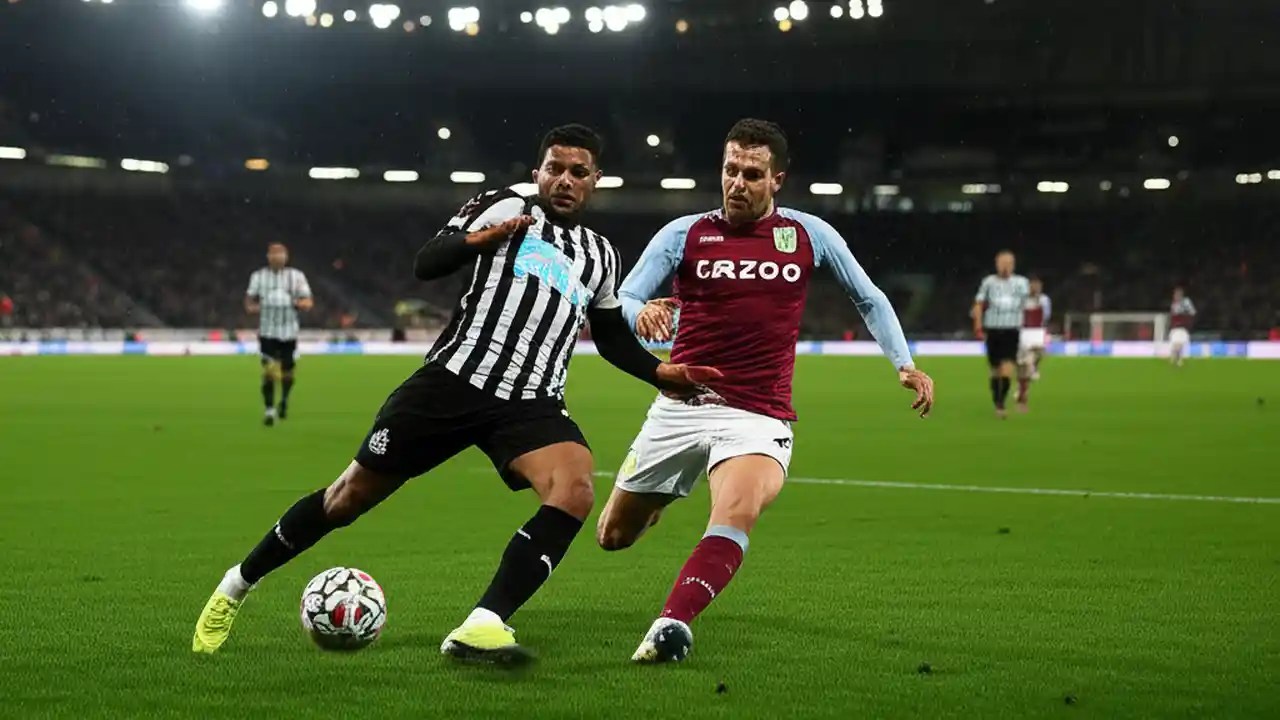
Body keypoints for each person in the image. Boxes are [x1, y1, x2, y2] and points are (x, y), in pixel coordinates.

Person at [192, 124, 720, 664]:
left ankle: (482, 624)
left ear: (595, 180)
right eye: (555, 168)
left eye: (578, 172)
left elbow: (609, 338)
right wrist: (478, 241)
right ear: (537, 172)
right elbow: (427, 262)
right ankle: (237, 584)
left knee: (575, 488)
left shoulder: (601, 254)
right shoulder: (505, 206)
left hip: (531, 401)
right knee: (345, 498)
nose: (565, 180)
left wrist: (660, 374)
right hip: (453, 381)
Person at [593, 118, 935, 663]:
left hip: (756, 415)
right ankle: (659, 497)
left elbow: (868, 297)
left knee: (737, 510)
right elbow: (625, 297)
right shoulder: (684, 234)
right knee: (613, 536)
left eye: (752, 174)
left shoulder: (808, 234)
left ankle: (671, 624)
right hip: (680, 408)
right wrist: (642, 313)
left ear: (777, 180)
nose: (737, 183)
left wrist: (905, 364)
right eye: (730, 170)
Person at [245, 243, 313, 426]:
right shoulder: (258, 277)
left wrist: (298, 304)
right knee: (269, 371)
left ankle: (284, 400)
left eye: (280, 254)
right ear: (268, 257)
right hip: (267, 331)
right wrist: (255, 307)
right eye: (274, 254)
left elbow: (308, 301)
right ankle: (269, 409)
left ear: (286, 257)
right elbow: (249, 301)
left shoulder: (296, 276)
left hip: (289, 332)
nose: (277, 257)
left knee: (287, 373)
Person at [972, 251, 1030, 419]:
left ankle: (1000, 404)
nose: (1005, 266)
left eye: (1008, 263)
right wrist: (978, 325)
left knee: (1007, 368)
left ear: (1013, 265)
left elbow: (1028, 305)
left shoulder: (1021, 283)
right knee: (995, 370)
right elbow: (979, 304)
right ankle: (997, 400)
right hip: (993, 329)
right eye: (1002, 263)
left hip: (1012, 330)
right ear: (997, 264)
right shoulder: (988, 282)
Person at [1015, 275, 1051, 411]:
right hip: (1024, 331)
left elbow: (1046, 315)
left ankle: (1033, 368)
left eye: (1037, 286)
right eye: (1032, 285)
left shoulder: (1044, 299)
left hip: (1037, 331)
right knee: (1023, 366)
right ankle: (1022, 392)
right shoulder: (1021, 299)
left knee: (1038, 353)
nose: (1035, 288)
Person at [1168, 286, 1196, 367]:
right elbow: (1174, 313)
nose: (1175, 296)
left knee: (1179, 345)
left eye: (1177, 294)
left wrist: (1185, 311)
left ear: (1181, 295)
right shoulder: (1174, 304)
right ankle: (1177, 359)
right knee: (1176, 345)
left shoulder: (1186, 302)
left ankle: (1177, 360)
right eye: (1175, 294)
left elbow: (1193, 312)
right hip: (1175, 328)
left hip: (1182, 328)